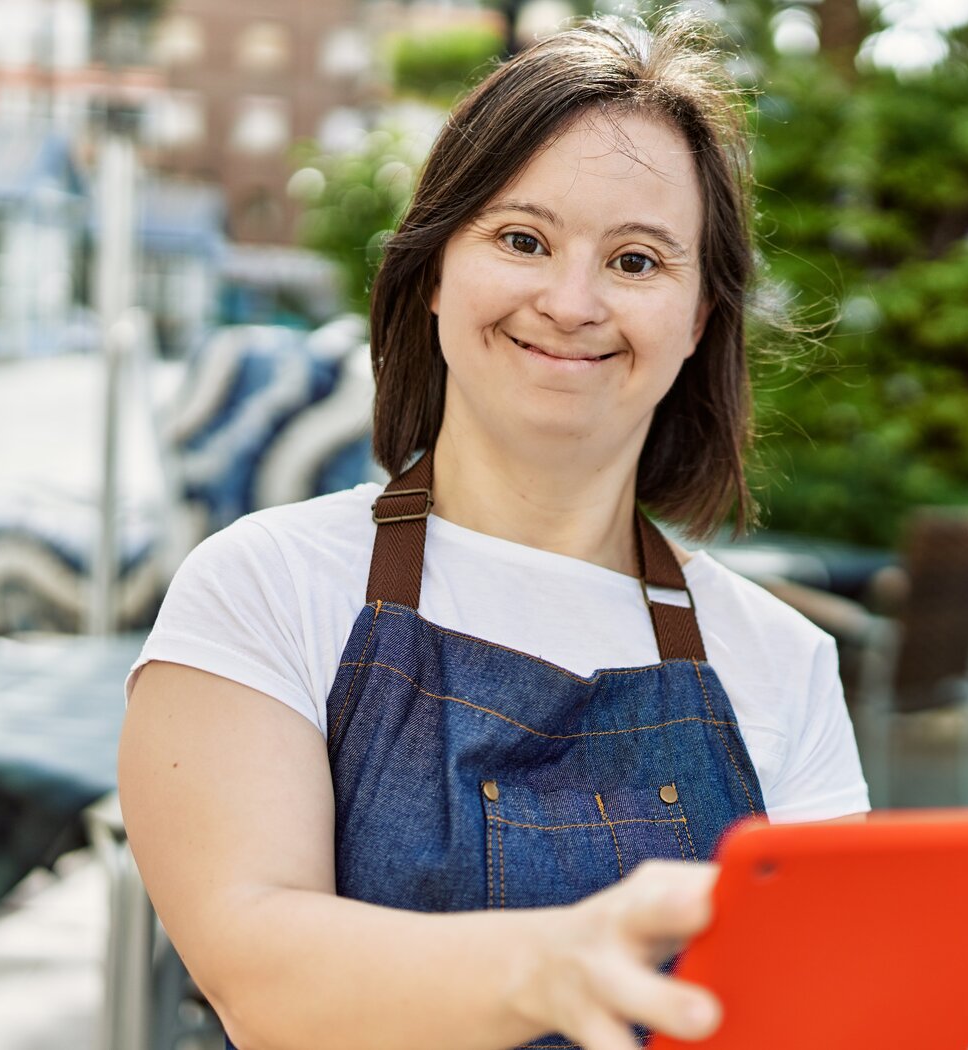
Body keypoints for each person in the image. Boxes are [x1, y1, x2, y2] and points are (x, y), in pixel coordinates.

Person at [117, 16, 870, 1050]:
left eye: (637, 261)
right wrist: (551, 969)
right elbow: (260, 975)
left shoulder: (782, 663)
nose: (570, 302)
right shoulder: (262, 587)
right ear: (434, 271)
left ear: (697, 320)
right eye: (522, 240)